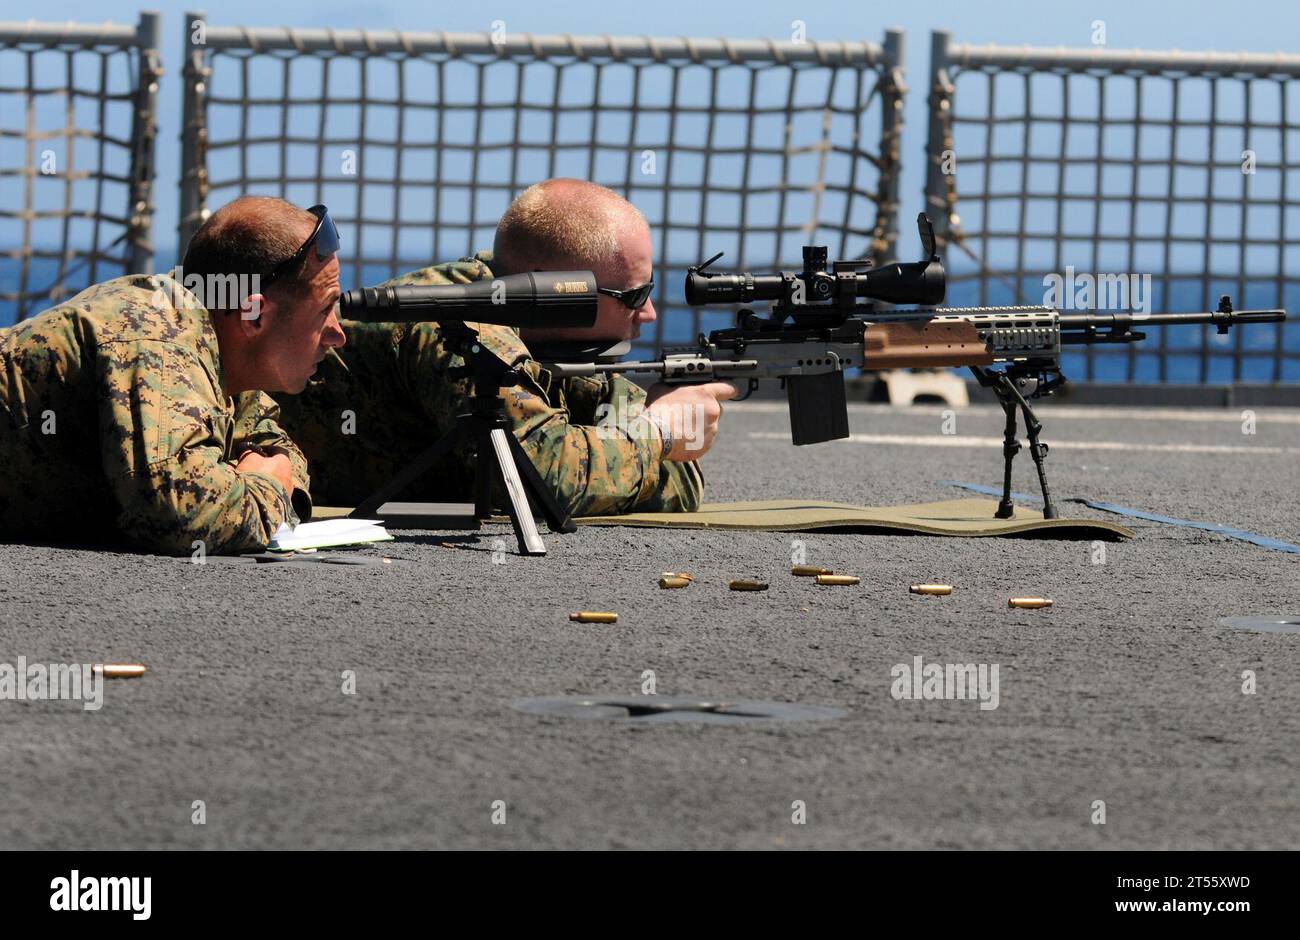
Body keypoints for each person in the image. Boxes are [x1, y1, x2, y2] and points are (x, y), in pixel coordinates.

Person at [274, 179, 736, 516]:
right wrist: (657, 435)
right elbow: (543, 482)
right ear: (562, 294)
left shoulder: (550, 334)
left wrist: (644, 446)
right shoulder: (457, 326)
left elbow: (682, 480)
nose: (650, 312)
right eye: (633, 296)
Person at [0, 196, 346, 554]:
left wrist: (271, 477)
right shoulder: (157, 337)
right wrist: (270, 488)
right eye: (324, 310)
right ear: (254, 315)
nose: (339, 334)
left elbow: (277, 448)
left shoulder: (216, 344)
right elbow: (181, 514)